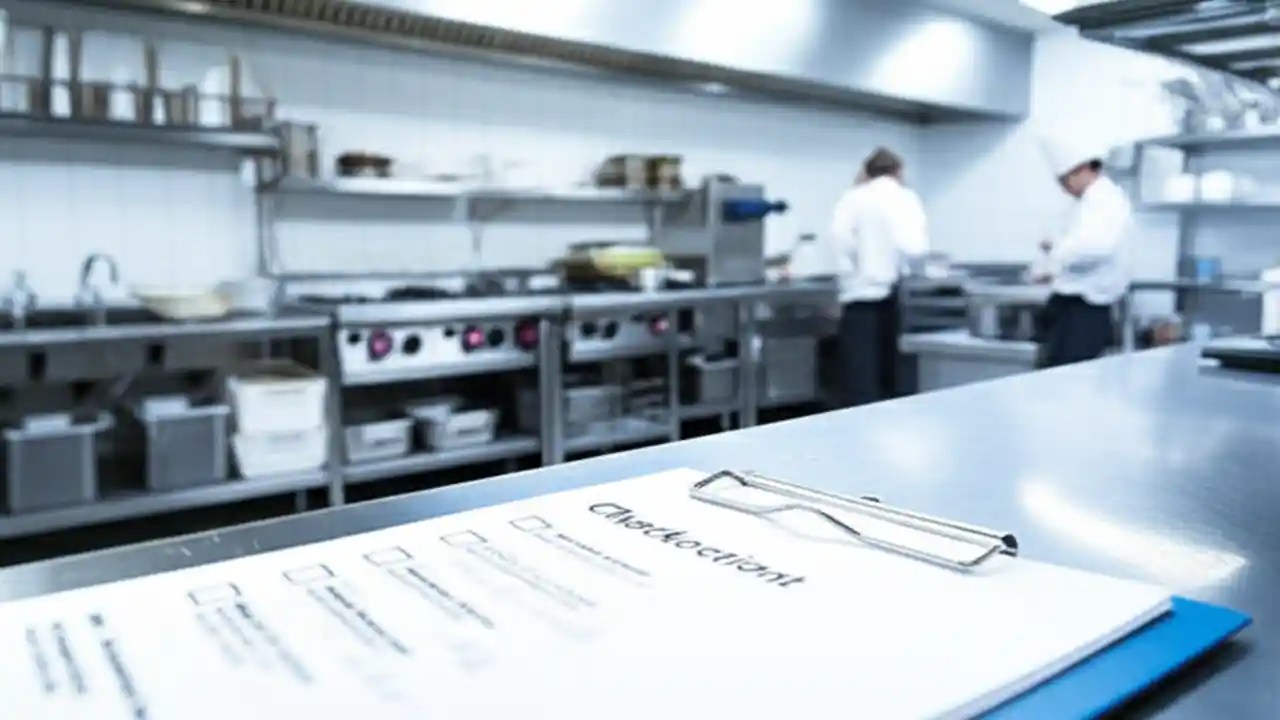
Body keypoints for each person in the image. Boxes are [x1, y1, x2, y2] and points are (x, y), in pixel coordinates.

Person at [828, 147, 929, 407]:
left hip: (857, 299)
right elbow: (916, 248)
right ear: (898, 171)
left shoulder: (851, 198)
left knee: (859, 378)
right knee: (892, 373)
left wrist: (852, 273)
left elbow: (840, 241)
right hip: (893, 298)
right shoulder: (906, 198)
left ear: (866, 171)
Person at [1036, 137, 1133, 368]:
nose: (1063, 187)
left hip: (1086, 308)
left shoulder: (1103, 198)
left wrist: (1057, 255)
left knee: (1066, 380)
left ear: (1083, 169)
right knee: (1054, 374)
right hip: (1074, 304)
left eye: (1064, 180)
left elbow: (1093, 247)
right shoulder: (1091, 200)